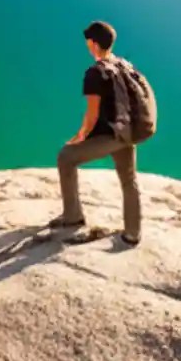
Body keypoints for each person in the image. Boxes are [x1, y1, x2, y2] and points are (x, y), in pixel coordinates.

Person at [49, 20, 142, 246]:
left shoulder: (95, 73)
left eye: (88, 41)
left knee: (65, 158)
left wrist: (79, 137)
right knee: (129, 179)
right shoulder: (123, 65)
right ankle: (132, 233)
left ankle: (73, 215)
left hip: (111, 135)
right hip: (128, 132)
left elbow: (92, 115)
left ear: (93, 43)